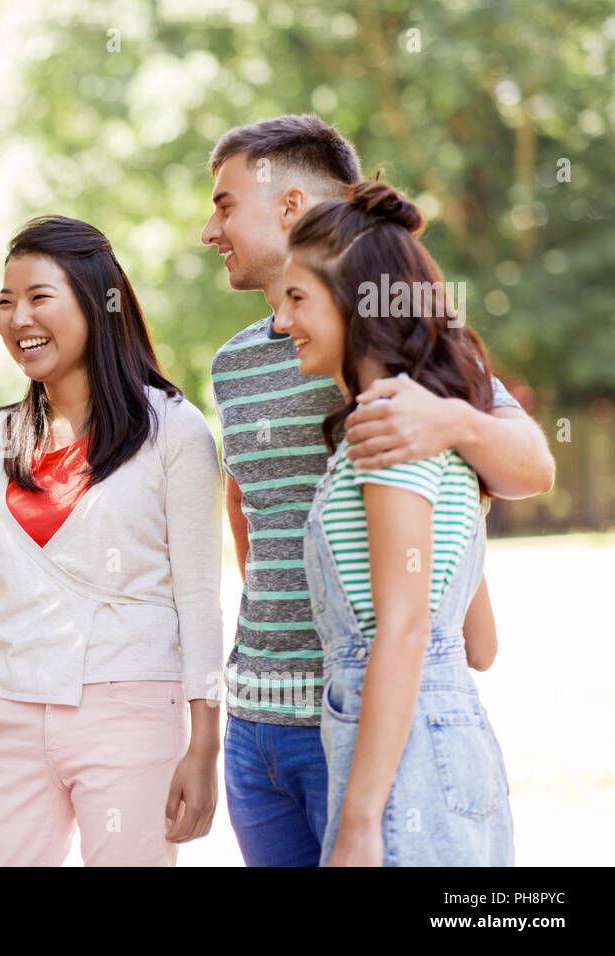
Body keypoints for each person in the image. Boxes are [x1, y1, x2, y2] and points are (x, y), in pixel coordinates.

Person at [202, 115, 553, 866]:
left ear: (291, 206)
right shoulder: (236, 368)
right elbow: (250, 520)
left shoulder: (410, 374)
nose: (210, 229)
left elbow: (531, 468)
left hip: (367, 724)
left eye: (225, 204)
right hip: (261, 723)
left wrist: (452, 418)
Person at [0, 215, 224, 866]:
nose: (17, 318)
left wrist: (203, 744)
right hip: (9, 719)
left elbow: (200, 598)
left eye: (39, 297)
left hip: (132, 711)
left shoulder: (174, 431)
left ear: (97, 304)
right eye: (5, 302)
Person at [276, 179, 513, 865]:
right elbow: (479, 645)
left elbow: (405, 631)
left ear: (355, 304)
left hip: (405, 764)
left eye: (299, 299)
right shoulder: (437, 424)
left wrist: (358, 820)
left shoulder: (386, 426)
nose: (283, 321)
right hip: (452, 743)